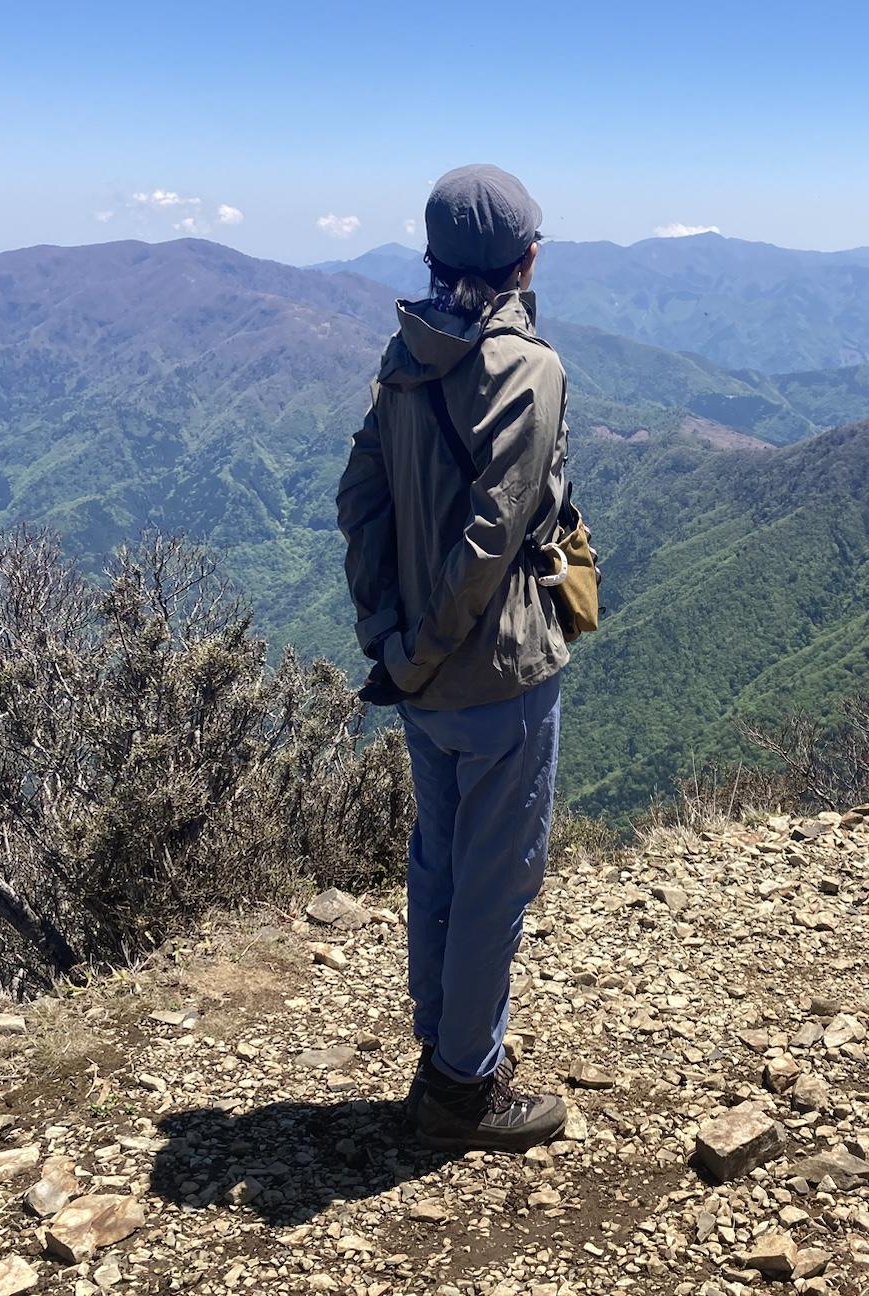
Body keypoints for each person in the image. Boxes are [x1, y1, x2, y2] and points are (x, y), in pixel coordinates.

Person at [334, 164, 571, 1152]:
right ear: (524, 260)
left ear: (432, 260)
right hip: (495, 679)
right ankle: (464, 1087)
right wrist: (429, 649)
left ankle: (445, 1041)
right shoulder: (530, 372)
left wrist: (388, 637)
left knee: (437, 861)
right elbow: (492, 541)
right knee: (494, 883)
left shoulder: (405, 355)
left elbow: (359, 500)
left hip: (419, 679)